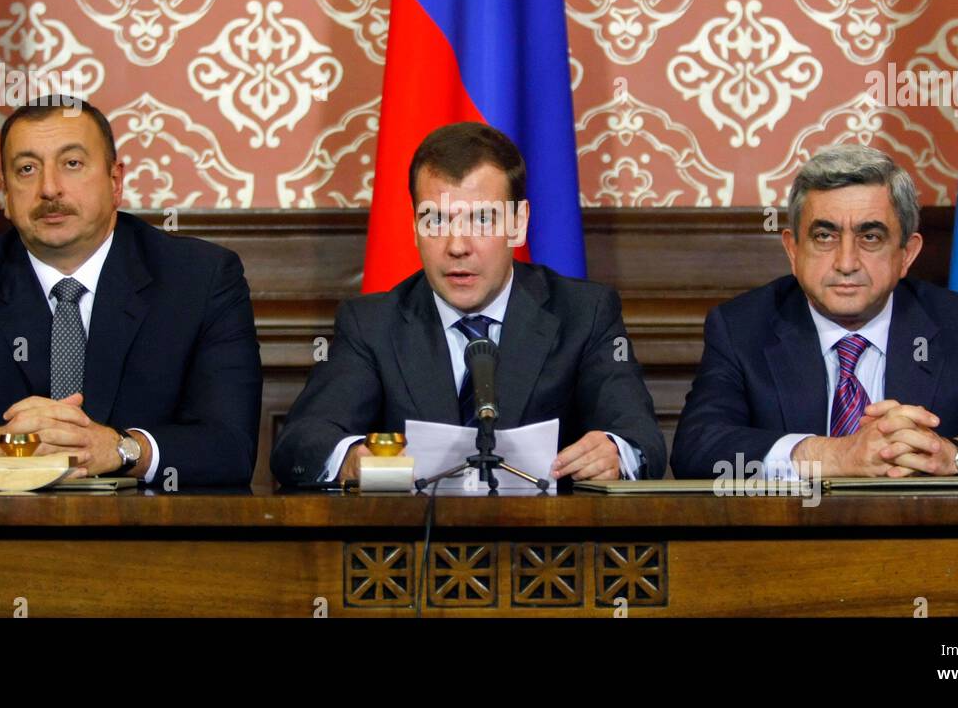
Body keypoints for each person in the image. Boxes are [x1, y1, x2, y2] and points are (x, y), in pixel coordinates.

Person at [0, 97, 261, 486]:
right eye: (26, 169)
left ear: (115, 180)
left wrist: (121, 449)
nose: (49, 188)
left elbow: (229, 447)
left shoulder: (199, 278)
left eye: (72, 164)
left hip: (149, 539)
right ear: (5, 192)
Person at [271, 122, 665, 486]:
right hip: (412, 553)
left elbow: (642, 439)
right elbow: (301, 445)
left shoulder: (584, 313)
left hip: (546, 552)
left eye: (481, 220)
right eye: (436, 221)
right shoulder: (372, 324)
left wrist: (614, 451)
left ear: (519, 223)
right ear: (414, 226)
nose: (457, 246)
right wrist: (353, 459)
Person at [673, 143, 958, 480]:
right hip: (785, 559)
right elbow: (696, 449)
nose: (846, 262)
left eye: (870, 237)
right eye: (825, 236)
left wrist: (957, 457)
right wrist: (835, 456)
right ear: (793, 250)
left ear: (907, 254)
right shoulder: (743, 327)